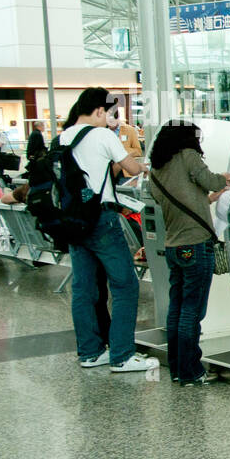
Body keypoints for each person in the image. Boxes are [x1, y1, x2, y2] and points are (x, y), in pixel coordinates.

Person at [57, 87, 156, 374]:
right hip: (102, 220)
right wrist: (141, 165)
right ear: (99, 110)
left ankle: (90, 352)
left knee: (84, 289)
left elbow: (94, 174)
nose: (110, 120)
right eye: (110, 114)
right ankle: (123, 355)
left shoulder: (62, 137)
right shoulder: (101, 135)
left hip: (74, 222)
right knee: (125, 285)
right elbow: (132, 168)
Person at [150, 121, 230, 386]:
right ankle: (192, 371)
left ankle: (177, 368)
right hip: (196, 244)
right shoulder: (187, 156)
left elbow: (179, 199)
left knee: (176, 307)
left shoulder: (156, 169)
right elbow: (209, 180)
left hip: (174, 247)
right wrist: (225, 178)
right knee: (193, 311)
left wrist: (209, 198)